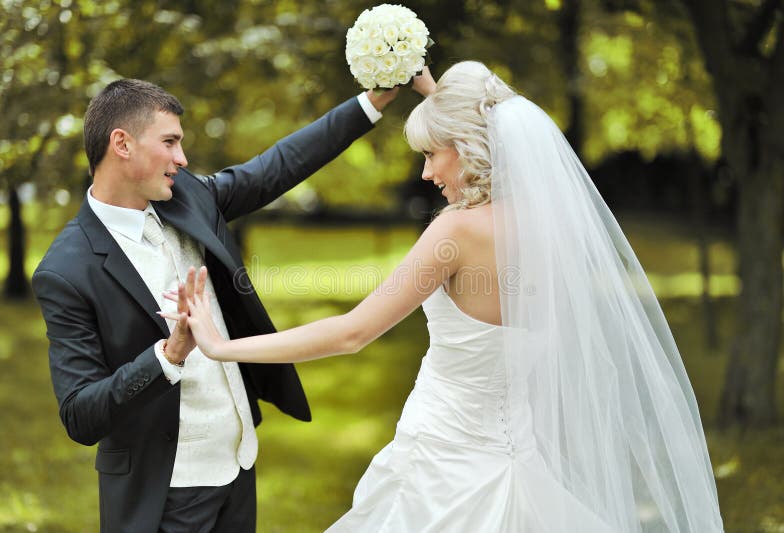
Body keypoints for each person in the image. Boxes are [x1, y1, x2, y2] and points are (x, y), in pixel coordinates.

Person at [165, 62, 725, 532]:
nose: (427, 172)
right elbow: (487, 135)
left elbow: (353, 332)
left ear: (469, 148)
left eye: (433, 154)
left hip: (441, 461)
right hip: (515, 459)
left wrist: (221, 347)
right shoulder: (554, 226)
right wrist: (443, 97)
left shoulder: (457, 231)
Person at [31, 75, 404, 532]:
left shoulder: (186, 195)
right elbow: (80, 414)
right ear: (122, 144)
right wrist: (167, 356)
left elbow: (277, 166)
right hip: (164, 491)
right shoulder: (65, 270)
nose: (182, 158)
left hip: (238, 465)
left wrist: (370, 103)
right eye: (169, 142)